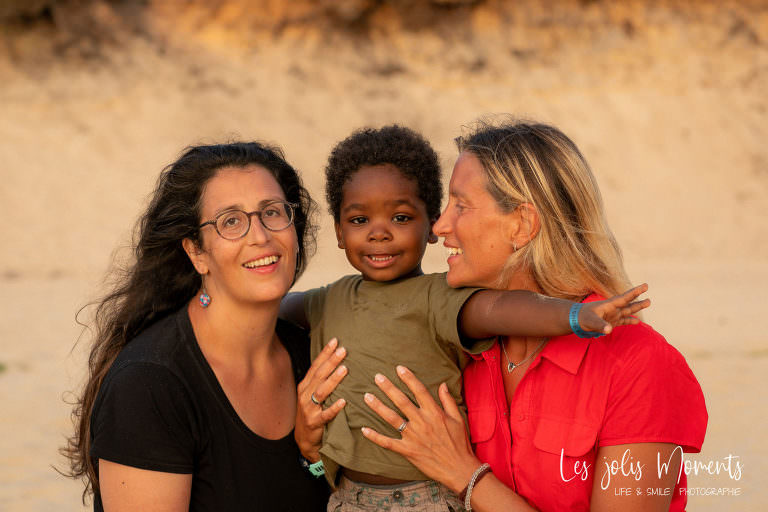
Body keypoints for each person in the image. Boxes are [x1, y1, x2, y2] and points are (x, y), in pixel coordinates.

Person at [282, 125, 650, 511]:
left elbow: (499, 309)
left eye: (401, 217)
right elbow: (273, 309)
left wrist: (575, 316)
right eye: (359, 220)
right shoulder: (329, 300)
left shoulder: (438, 298)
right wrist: (311, 455)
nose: (379, 233)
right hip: (348, 498)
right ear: (339, 231)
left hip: (428, 498)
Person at [353, 120, 708, 511]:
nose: (439, 226)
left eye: (461, 206)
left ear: (522, 225)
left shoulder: (638, 363)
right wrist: (310, 444)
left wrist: (465, 476)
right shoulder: (453, 338)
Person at [62, 142, 329, 511]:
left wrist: (314, 458)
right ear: (196, 253)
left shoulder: (313, 355)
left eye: (272, 212)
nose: (261, 236)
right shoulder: (149, 385)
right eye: (231, 221)